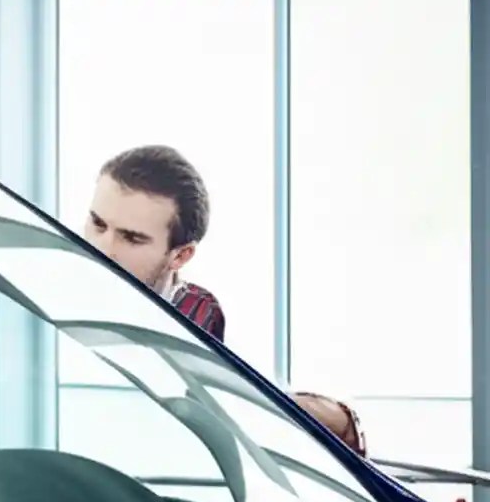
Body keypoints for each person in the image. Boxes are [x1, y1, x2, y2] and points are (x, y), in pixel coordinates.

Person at [82, 145, 367, 456]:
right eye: (98, 224)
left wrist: (332, 420)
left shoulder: (201, 323)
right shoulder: (52, 288)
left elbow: (274, 409)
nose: (102, 249)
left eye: (132, 238)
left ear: (181, 255)